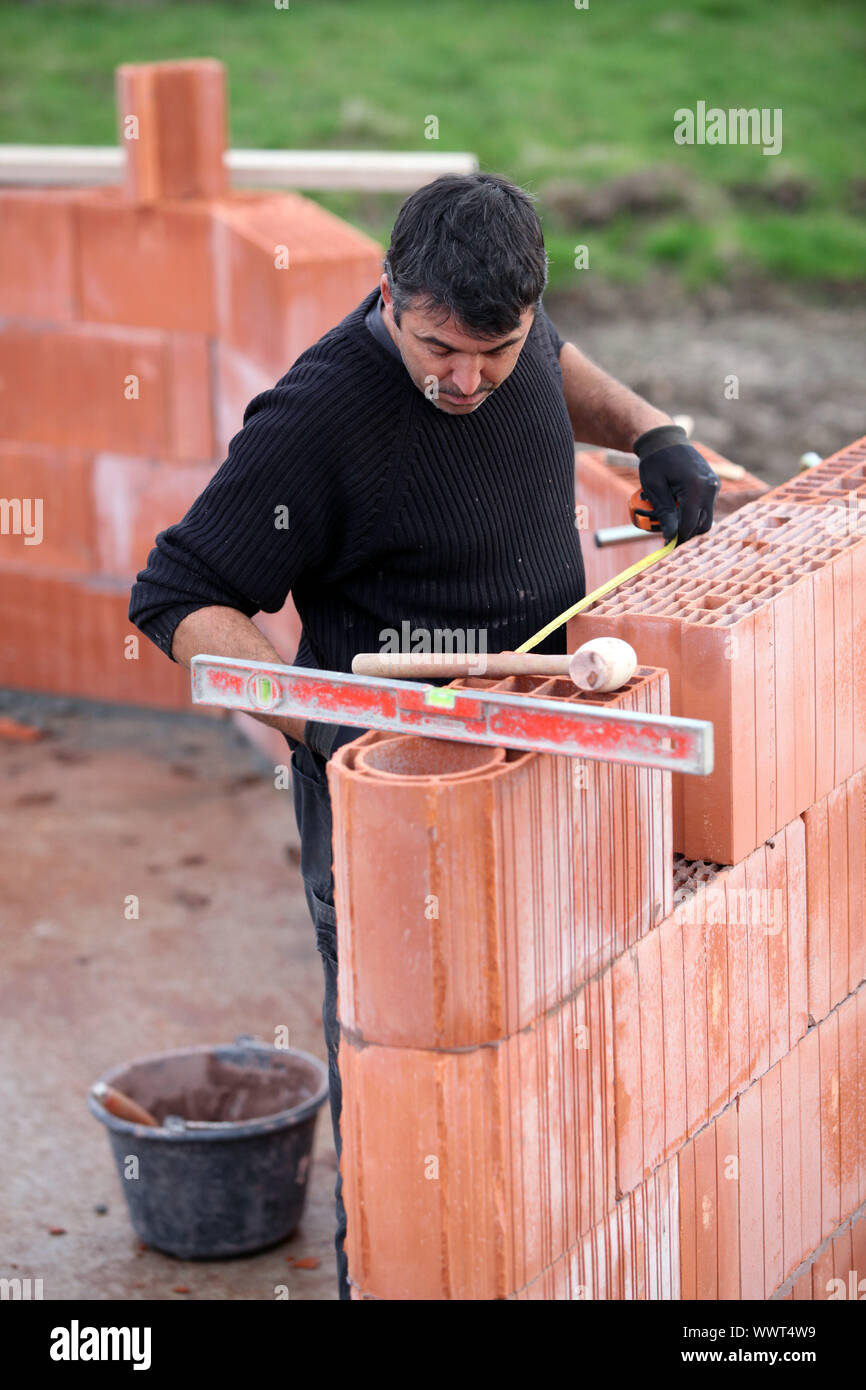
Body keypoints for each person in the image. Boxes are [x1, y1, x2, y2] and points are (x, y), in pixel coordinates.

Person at [129, 171, 720, 1299]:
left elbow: (550, 358)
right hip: (395, 805)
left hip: (538, 765)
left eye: (491, 352)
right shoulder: (320, 418)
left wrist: (655, 432)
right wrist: (326, 721)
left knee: (543, 1053)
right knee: (413, 1098)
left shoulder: (509, 334)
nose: (467, 380)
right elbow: (176, 592)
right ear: (387, 290)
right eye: (441, 348)